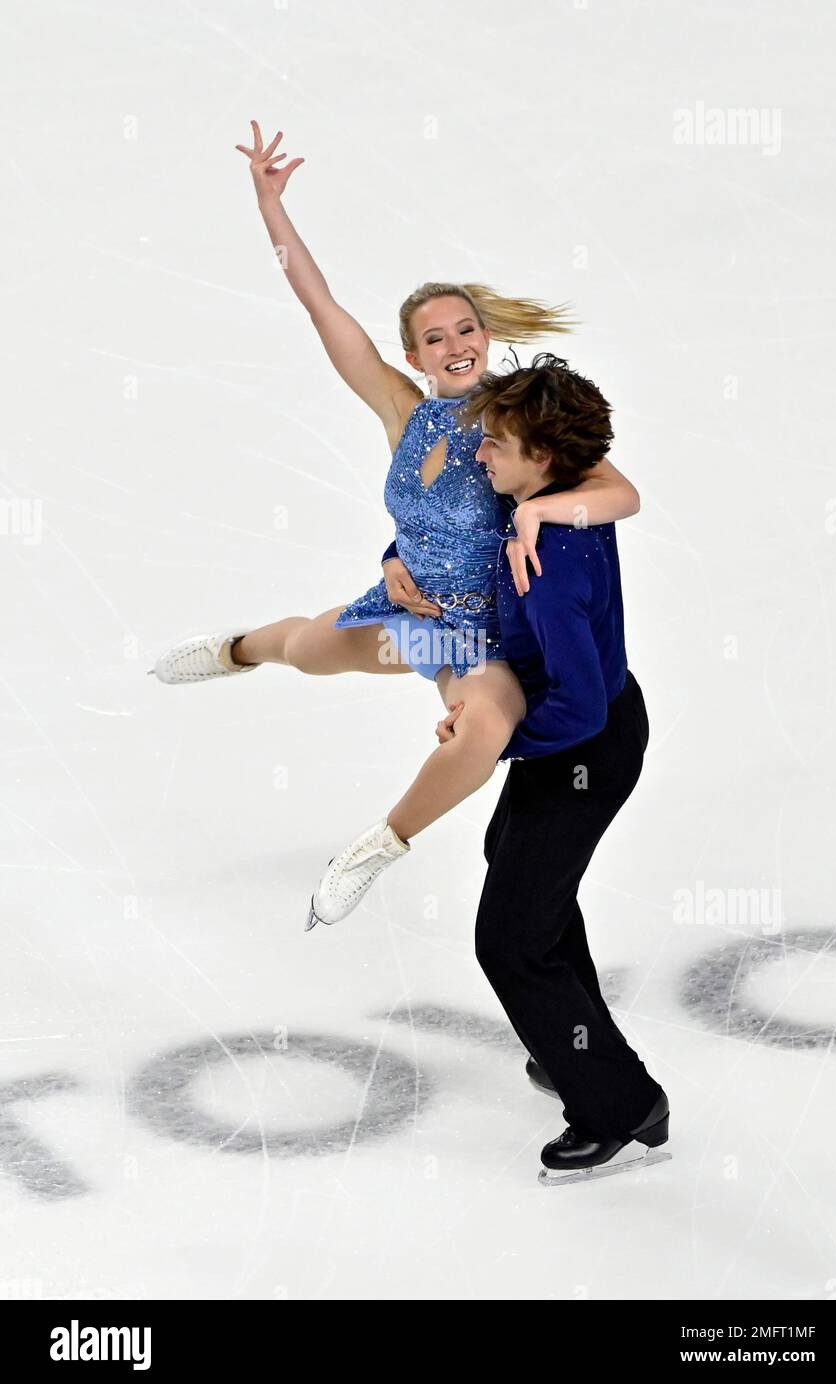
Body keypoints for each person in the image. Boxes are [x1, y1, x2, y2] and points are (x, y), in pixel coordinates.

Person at [148, 122, 640, 929]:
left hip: (475, 641)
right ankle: (237, 651)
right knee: (305, 649)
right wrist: (271, 206)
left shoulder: (523, 420)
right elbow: (320, 306)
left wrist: (543, 509)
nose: (453, 345)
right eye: (433, 337)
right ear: (412, 356)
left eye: (465, 330)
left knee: (481, 727)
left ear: (488, 338)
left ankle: (378, 845)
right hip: (403, 616)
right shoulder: (402, 411)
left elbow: (620, 493)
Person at [438, 353, 670, 1184]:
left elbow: (578, 708)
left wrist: (488, 741)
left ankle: (618, 1104)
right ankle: (570, 1046)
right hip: (576, 733)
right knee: (524, 879)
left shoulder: (547, 572)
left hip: (583, 746)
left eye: (495, 443)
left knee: (507, 941)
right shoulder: (549, 501)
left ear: (541, 458)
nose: (480, 455)